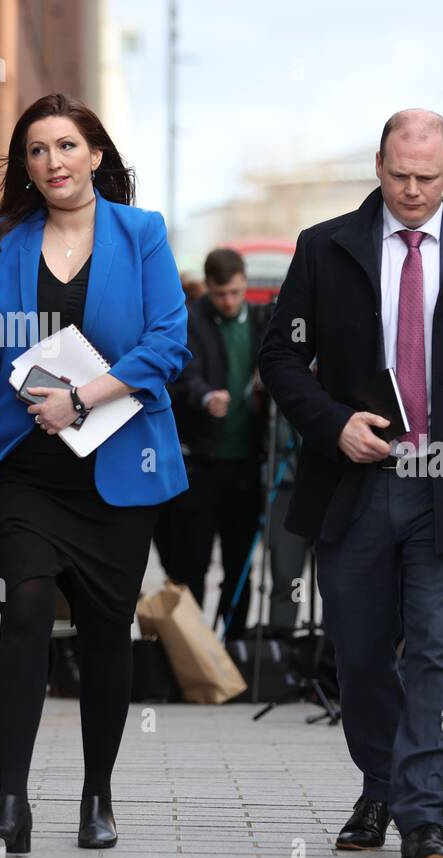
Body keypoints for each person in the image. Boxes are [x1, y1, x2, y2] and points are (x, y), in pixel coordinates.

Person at [258, 109, 443, 858]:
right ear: (378, 165)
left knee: (442, 650)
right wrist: (332, 423)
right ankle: (380, 783)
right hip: (357, 481)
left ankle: (424, 813)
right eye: (397, 174)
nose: (411, 190)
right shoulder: (326, 248)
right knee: (359, 653)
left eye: (426, 177)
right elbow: (281, 358)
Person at [0, 92, 190, 855]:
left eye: (67, 146)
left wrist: (82, 397)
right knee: (25, 611)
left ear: (97, 155)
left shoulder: (140, 233)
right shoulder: (4, 242)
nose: (54, 162)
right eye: (38, 151)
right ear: (28, 167)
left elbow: (167, 344)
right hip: (25, 467)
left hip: (117, 463)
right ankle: (11, 801)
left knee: (106, 633)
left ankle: (97, 794)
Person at [164, 247, 266, 630]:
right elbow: (181, 374)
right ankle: (190, 656)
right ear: (208, 288)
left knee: (241, 564)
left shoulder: (260, 321)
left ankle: (232, 649)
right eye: (221, 294)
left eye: (236, 292)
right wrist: (206, 395)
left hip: (245, 463)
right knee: (192, 563)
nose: (229, 301)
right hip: (200, 463)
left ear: (244, 285)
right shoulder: (190, 320)